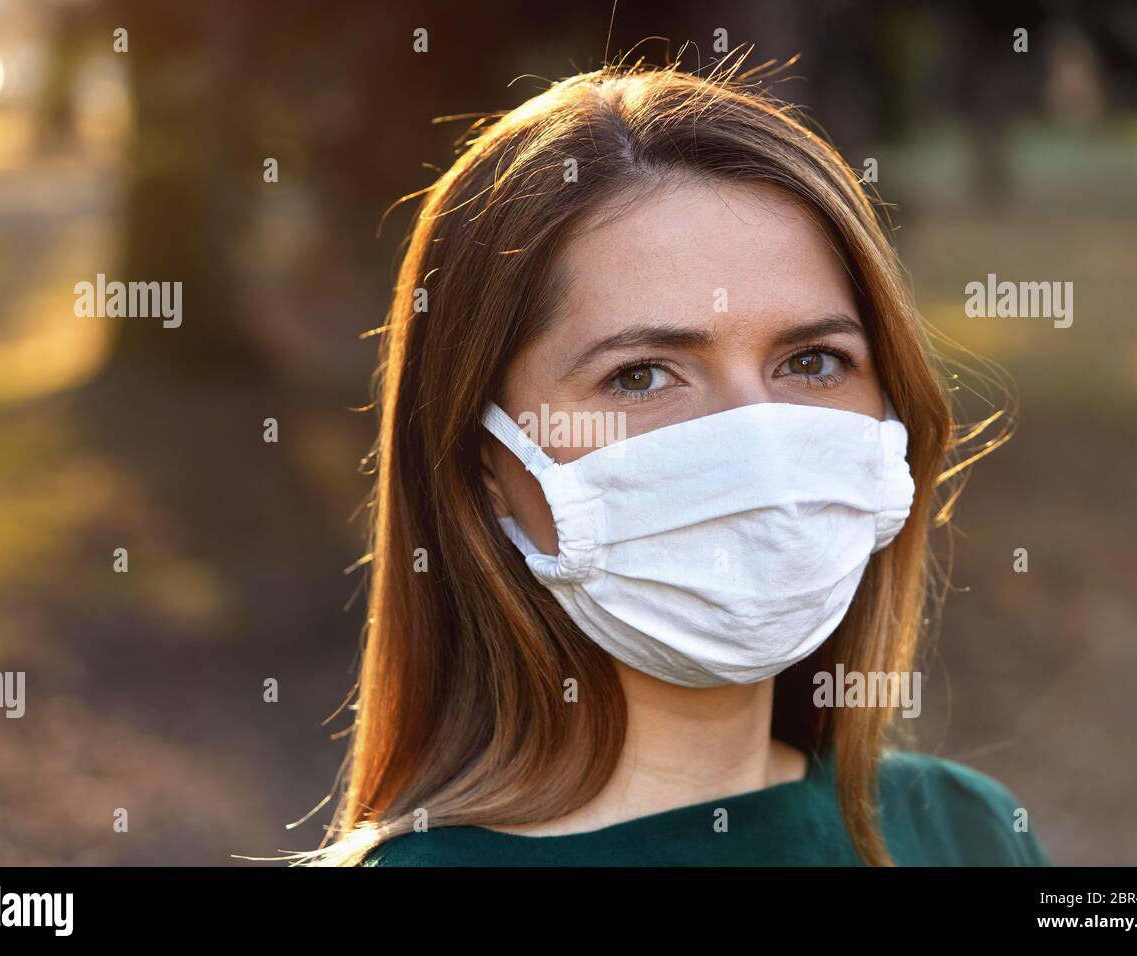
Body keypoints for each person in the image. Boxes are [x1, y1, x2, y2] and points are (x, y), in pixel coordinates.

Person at [307, 59, 1048, 867]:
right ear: (489, 470)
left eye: (810, 361)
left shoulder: (964, 831)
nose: (756, 441)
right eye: (641, 376)